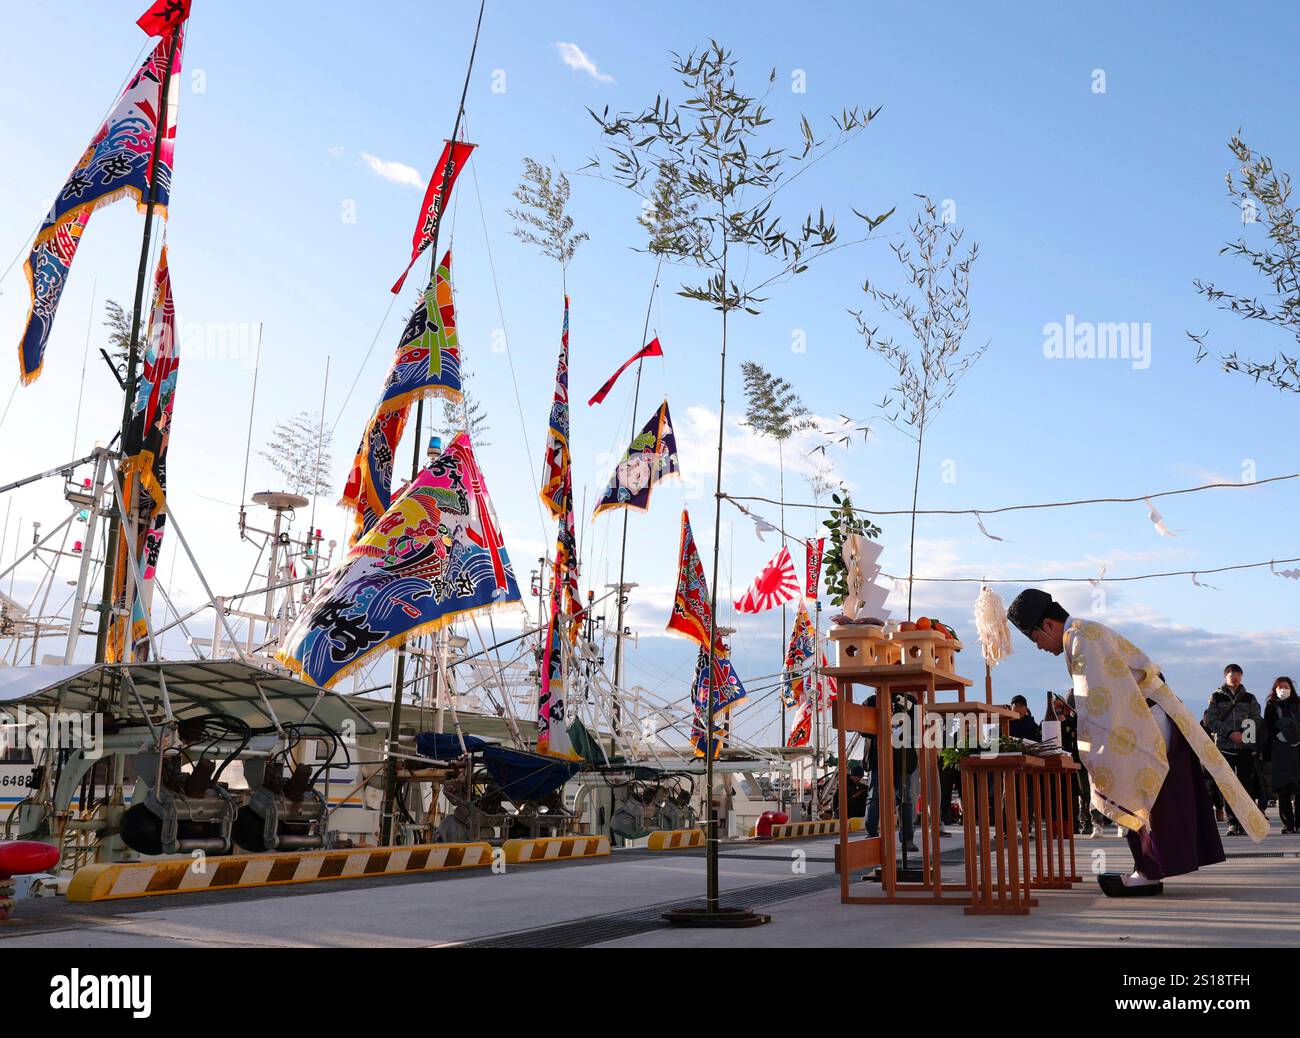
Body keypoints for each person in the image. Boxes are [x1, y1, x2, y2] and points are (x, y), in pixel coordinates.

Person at [1005, 588, 1267, 897]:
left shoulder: (1082, 638)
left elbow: (1104, 701)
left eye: (1036, 639)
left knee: (1141, 794)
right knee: (1151, 798)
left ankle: (1148, 872)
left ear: (1048, 625)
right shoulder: (1082, 633)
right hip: (1149, 714)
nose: (1039, 647)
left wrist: (1091, 745)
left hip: (1143, 722)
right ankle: (1147, 870)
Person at [1203, 665, 1267, 834]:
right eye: (1232, 675)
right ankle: (1232, 822)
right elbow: (1212, 720)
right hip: (1224, 746)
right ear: (1225, 676)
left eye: (1238, 675)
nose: (1235, 678)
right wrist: (1230, 733)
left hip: (1244, 747)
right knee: (1228, 786)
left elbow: (1256, 719)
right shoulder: (1216, 697)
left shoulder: (1249, 697)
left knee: (1246, 785)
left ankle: (1246, 822)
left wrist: (1243, 734)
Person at [864, 691, 919, 852]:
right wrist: (884, 725)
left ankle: (907, 839)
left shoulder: (910, 701)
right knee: (874, 797)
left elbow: (916, 729)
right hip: (878, 758)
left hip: (902, 758)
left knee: (904, 800)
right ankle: (871, 836)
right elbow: (862, 729)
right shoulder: (872, 700)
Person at [1264, 677, 1300, 833]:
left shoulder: (1298, 704)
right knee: (1283, 790)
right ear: (1275, 689)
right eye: (1280, 687)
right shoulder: (1271, 706)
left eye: (1286, 687)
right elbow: (1268, 726)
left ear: (1291, 688)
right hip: (1279, 750)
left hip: (1298, 749)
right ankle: (1288, 825)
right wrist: (1278, 734)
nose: (1283, 689)